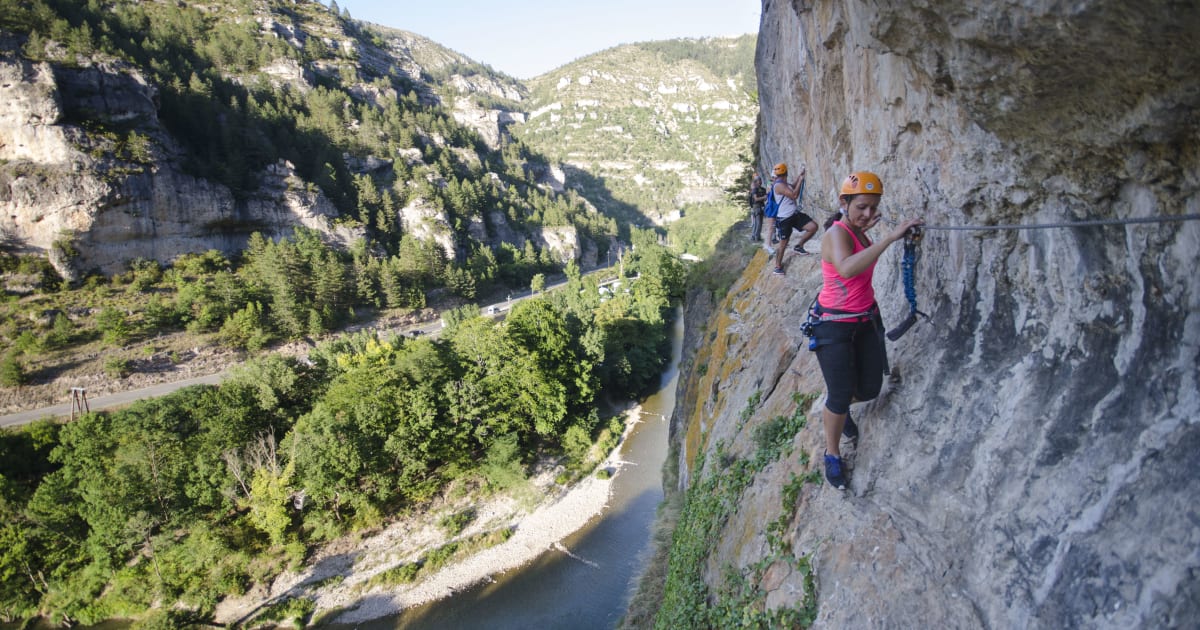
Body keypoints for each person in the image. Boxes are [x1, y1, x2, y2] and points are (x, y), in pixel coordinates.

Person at [809, 171, 922, 490]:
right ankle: (832, 452)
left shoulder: (859, 230)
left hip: (865, 320)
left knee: (871, 389)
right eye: (861, 206)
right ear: (844, 203)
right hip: (833, 326)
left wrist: (871, 233)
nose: (868, 214)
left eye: (874, 207)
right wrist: (889, 238)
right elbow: (846, 268)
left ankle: (839, 410)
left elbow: (858, 256)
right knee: (841, 394)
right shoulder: (836, 234)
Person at [768, 163, 816, 274]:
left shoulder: (783, 183)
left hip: (793, 215)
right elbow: (794, 195)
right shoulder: (778, 185)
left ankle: (799, 246)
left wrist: (800, 176)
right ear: (786, 172)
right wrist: (800, 180)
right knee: (783, 243)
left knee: (813, 227)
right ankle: (777, 266)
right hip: (784, 218)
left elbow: (792, 186)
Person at [748, 174, 767, 242]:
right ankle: (756, 237)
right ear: (756, 182)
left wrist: (764, 198)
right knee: (758, 223)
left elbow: (764, 199)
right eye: (758, 180)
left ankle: (756, 236)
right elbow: (756, 199)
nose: (760, 181)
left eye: (760, 180)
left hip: (761, 206)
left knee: (759, 223)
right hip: (756, 207)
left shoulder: (763, 189)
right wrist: (763, 197)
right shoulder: (754, 190)